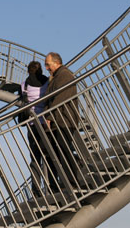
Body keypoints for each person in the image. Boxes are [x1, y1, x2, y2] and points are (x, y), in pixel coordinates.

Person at [43, 52, 82, 191]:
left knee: (65, 150)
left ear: (57, 62)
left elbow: (61, 97)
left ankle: (73, 182)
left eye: (48, 64)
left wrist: (49, 116)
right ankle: (67, 181)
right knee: (60, 151)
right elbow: (49, 98)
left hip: (65, 119)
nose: (46, 68)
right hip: (59, 120)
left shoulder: (65, 75)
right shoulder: (55, 77)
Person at [17, 61, 50, 194]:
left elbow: (21, 102)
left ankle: (36, 190)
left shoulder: (24, 85)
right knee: (49, 155)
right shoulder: (47, 82)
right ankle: (53, 185)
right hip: (46, 123)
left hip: (32, 125)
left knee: (35, 158)